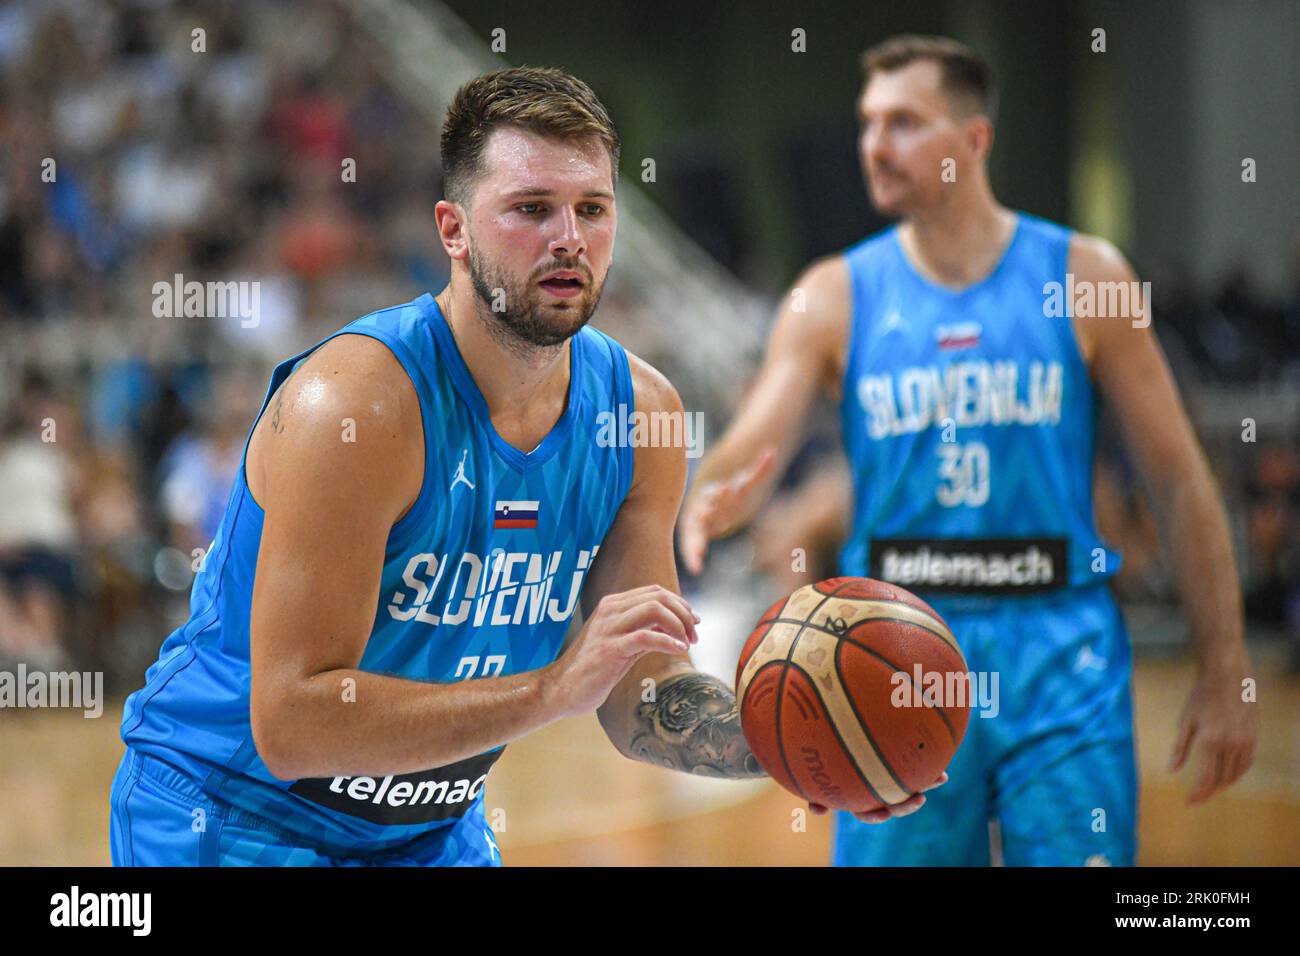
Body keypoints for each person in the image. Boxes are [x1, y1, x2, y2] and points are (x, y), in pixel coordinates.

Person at [109, 65, 937, 867]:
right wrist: (552, 688)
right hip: (232, 812)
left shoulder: (640, 418)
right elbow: (292, 726)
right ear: (454, 230)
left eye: (592, 209)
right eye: (532, 209)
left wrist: (797, 741)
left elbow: (639, 694)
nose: (568, 238)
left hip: (427, 830)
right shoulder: (355, 406)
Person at [679, 35, 1257, 866]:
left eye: (905, 122)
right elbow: (758, 434)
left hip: (1059, 648)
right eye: (868, 123)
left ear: (974, 141)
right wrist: (715, 488)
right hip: (887, 650)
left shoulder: (1085, 275)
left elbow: (1177, 476)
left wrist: (1226, 660)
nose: (875, 144)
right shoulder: (833, 295)